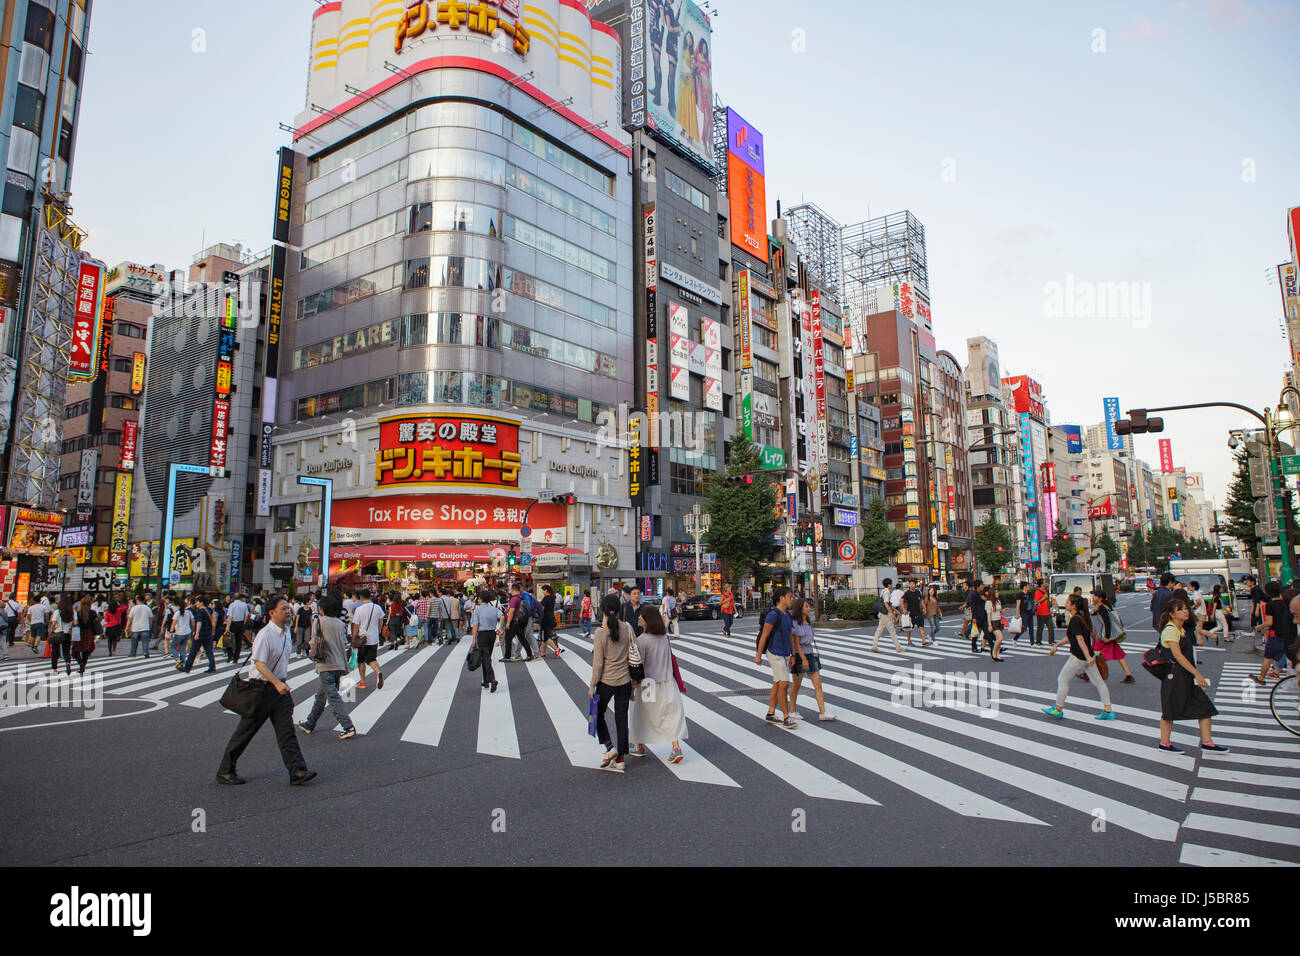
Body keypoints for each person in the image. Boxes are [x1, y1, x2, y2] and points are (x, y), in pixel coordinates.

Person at [215, 597, 316, 786]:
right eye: (284, 608)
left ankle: (297, 771)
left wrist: (280, 684)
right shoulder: (265, 634)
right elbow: (259, 663)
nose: (288, 611)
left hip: (279, 691)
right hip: (261, 690)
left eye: (288, 608)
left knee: (286, 731)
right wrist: (277, 683)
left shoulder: (286, 632)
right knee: (245, 732)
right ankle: (225, 770)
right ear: (272, 613)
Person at [1155, 597, 1228, 753]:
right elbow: (1178, 655)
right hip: (1175, 677)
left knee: (1204, 707)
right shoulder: (1170, 630)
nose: (1186, 611)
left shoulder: (1180, 629)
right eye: (1181, 609)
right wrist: (1197, 673)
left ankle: (1207, 742)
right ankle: (1164, 743)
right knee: (1169, 710)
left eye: (1186, 608)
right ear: (1172, 614)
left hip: (1184, 676)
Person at [628, 607, 689, 763]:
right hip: (668, 682)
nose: (639, 618)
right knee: (670, 715)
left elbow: (638, 666)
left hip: (648, 683)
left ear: (648, 620)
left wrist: (634, 686)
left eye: (642, 617)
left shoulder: (642, 640)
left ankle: (640, 746)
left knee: (642, 715)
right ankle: (676, 747)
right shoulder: (664, 638)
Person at [1042, 593, 1115, 721]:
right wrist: (1058, 645)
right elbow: (1073, 637)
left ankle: (1058, 709)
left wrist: (1087, 657)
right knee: (1099, 682)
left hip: (1079, 656)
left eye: (1067, 601)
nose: (1065, 603)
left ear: (1073, 605)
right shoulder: (1081, 617)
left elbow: (1080, 639)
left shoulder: (1075, 620)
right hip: (1087, 656)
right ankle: (1108, 710)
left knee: (1062, 679)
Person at [296, 590, 357, 739]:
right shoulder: (340, 623)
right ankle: (310, 723)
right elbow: (344, 642)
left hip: (325, 663)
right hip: (339, 664)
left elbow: (314, 641)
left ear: (322, 609)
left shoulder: (319, 621)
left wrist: (311, 652)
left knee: (332, 696)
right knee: (321, 696)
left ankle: (348, 726)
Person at [589, 593, 636, 772]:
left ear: (603, 611)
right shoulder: (627, 628)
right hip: (625, 681)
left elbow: (598, 663)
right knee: (621, 719)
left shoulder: (601, 633)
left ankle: (610, 748)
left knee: (598, 713)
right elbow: (635, 650)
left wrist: (593, 685)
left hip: (607, 682)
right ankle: (621, 759)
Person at [754, 585, 798, 729]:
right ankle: (786, 716)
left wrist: (793, 654)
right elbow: (765, 635)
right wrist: (758, 655)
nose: (792, 599)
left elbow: (791, 635)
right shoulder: (774, 615)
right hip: (775, 653)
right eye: (790, 597)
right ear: (781, 598)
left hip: (785, 653)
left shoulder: (787, 615)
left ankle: (771, 713)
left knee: (778, 683)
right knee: (784, 683)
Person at [788, 597, 835, 722]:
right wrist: (803, 659)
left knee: (818, 685)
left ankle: (822, 712)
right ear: (800, 609)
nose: (809, 609)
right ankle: (792, 710)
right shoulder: (795, 624)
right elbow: (796, 644)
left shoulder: (807, 621)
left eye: (809, 606)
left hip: (810, 653)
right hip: (799, 656)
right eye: (806, 607)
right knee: (796, 686)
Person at [1087, 588, 1134, 682]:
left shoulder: (1102, 608)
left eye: (1095, 596)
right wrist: (1094, 611)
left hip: (1103, 636)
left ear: (1100, 598)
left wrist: (1107, 637)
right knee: (1118, 654)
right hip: (1106, 636)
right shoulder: (1101, 607)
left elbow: (1107, 623)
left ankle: (1089, 674)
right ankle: (1129, 675)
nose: (1093, 597)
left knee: (1094, 653)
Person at [1251, 582, 1292, 686]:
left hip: (1275, 635)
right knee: (1284, 653)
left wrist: (1259, 627)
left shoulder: (1270, 605)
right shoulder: (1286, 603)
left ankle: (1261, 677)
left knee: (1267, 657)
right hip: (1287, 634)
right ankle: (1277, 670)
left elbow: (1270, 622)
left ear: (1268, 592)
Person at [350, 588, 385, 690]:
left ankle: (363, 682)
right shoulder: (377, 607)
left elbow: (356, 626)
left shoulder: (359, 610)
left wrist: (354, 637)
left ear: (360, 598)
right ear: (370, 596)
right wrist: (378, 631)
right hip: (373, 638)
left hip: (362, 639)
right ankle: (378, 672)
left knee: (361, 661)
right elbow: (381, 621)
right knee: (372, 659)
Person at [470, 590, 503, 693]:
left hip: (482, 634)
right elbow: (502, 616)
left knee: (486, 657)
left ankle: (492, 680)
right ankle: (486, 681)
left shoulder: (477, 610)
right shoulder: (493, 608)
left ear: (481, 599)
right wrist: (500, 629)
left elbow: (475, 625)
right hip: (492, 634)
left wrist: (473, 639)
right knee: (487, 656)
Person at [182, 595, 217, 674]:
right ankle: (212, 666)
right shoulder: (209, 610)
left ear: (201, 603)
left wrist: (196, 632)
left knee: (193, 651)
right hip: (208, 633)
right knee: (209, 651)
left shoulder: (200, 611)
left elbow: (199, 622)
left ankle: (187, 668)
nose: (196, 603)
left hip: (201, 634)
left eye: (197, 602)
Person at [503, 583, 536, 661]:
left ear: (513, 589)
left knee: (508, 639)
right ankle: (530, 655)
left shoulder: (514, 599)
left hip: (514, 621)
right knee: (522, 639)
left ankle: (507, 657)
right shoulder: (521, 598)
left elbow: (511, 611)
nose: (510, 591)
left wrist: (508, 622)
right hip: (521, 621)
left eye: (510, 589)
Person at [71, 596, 101, 675]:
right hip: (89, 633)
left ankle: (80, 664)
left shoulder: (78, 613)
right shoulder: (93, 613)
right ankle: (83, 666)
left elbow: (75, 623)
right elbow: (95, 624)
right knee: (86, 651)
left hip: (80, 633)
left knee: (76, 650)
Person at [871, 578, 902, 653]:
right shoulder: (887, 592)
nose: (892, 585)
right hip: (886, 614)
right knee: (892, 630)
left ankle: (874, 646)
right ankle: (898, 647)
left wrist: (894, 611)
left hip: (882, 613)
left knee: (880, 630)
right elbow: (886, 603)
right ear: (889, 585)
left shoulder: (883, 591)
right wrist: (891, 613)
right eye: (891, 584)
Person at [48, 596, 75, 675]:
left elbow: (53, 623)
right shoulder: (72, 612)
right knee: (66, 651)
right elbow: (75, 623)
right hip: (67, 634)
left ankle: (55, 668)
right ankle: (67, 663)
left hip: (57, 633)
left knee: (55, 652)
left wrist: (51, 631)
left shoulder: (57, 612)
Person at [537, 584, 562, 658]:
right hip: (551, 619)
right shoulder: (552, 598)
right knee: (546, 637)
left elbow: (541, 609)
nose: (542, 592)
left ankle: (557, 649)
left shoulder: (546, 598)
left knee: (544, 637)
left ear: (546, 590)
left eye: (543, 590)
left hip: (546, 620)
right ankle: (543, 652)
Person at [169, 596, 194, 669]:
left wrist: (171, 632)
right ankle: (182, 662)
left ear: (178, 606)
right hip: (187, 632)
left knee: (173, 647)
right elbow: (192, 622)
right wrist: (193, 630)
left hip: (179, 632)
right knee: (183, 648)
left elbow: (174, 623)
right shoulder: (188, 612)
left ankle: (177, 659)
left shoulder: (177, 613)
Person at [127, 593, 153, 658]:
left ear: (137, 601)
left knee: (134, 641)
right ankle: (145, 652)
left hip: (135, 627)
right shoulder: (147, 608)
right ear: (144, 601)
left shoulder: (134, 608)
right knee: (145, 641)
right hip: (145, 627)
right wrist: (149, 625)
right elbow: (150, 618)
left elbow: (130, 619)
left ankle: (133, 653)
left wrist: (127, 627)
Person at [226, 593, 250, 663]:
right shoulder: (244, 605)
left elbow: (230, 616)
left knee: (228, 640)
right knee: (238, 641)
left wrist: (227, 626)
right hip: (240, 623)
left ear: (233, 598)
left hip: (233, 623)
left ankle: (230, 656)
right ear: (240, 598)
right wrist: (243, 623)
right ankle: (236, 658)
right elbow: (246, 615)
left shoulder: (232, 605)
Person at [986, 586, 1007, 662]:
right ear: (992, 594)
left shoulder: (998, 601)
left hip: (999, 621)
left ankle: (998, 655)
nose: (997, 593)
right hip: (993, 622)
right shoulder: (988, 602)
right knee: (1000, 638)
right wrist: (989, 625)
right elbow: (988, 614)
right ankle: (993, 652)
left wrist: (1004, 610)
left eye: (997, 592)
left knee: (999, 639)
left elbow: (999, 611)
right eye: (996, 592)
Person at [901, 580, 924, 647]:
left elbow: (921, 600)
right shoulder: (907, 593)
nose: (912, 585)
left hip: (918, 612)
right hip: (911, 613)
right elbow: (901, 600)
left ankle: (924, 641)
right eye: (910, 584)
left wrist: (924, 608)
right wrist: (903, 609)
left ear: (915, 585)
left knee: (921, 626)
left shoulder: (918, 592)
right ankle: (909, 641)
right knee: (909, 628)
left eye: (913, 584)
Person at [1032, 580, 1054, 646]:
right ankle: (1038, 641)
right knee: (1040, 628)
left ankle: (1051, 641)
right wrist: (1044, 598)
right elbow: (1036, 602)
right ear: (1041, 584)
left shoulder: (1045, 591)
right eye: (1044, 582)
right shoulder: (1037, 592)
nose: (1046, 583)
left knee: (1051, 627)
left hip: (1047, 611)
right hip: (1040, 612)